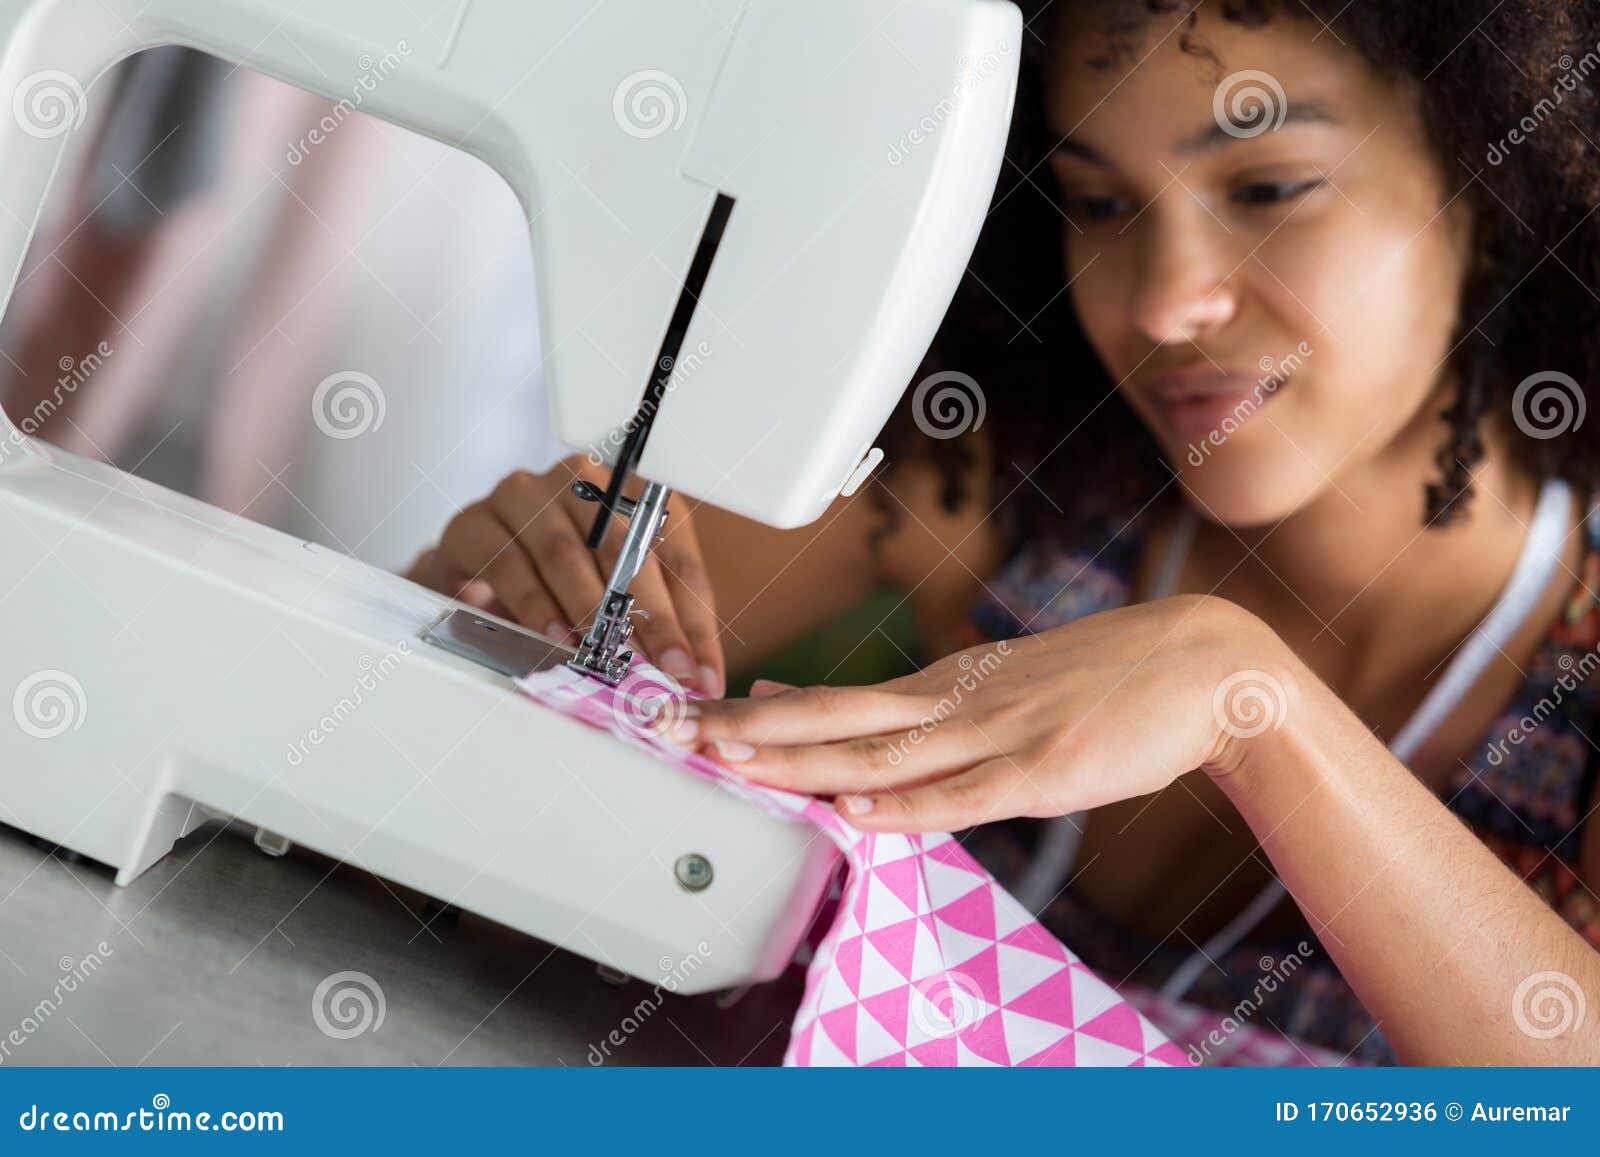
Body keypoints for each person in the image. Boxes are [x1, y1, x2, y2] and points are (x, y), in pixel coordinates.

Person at [408, 0, 1600, 1064]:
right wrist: (486, 595)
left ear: (1489, 188)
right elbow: (448, 708)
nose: (1161, 301)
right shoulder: (1006, 485)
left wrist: (1259, 711)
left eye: (1265, 188)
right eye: (1098, 201)